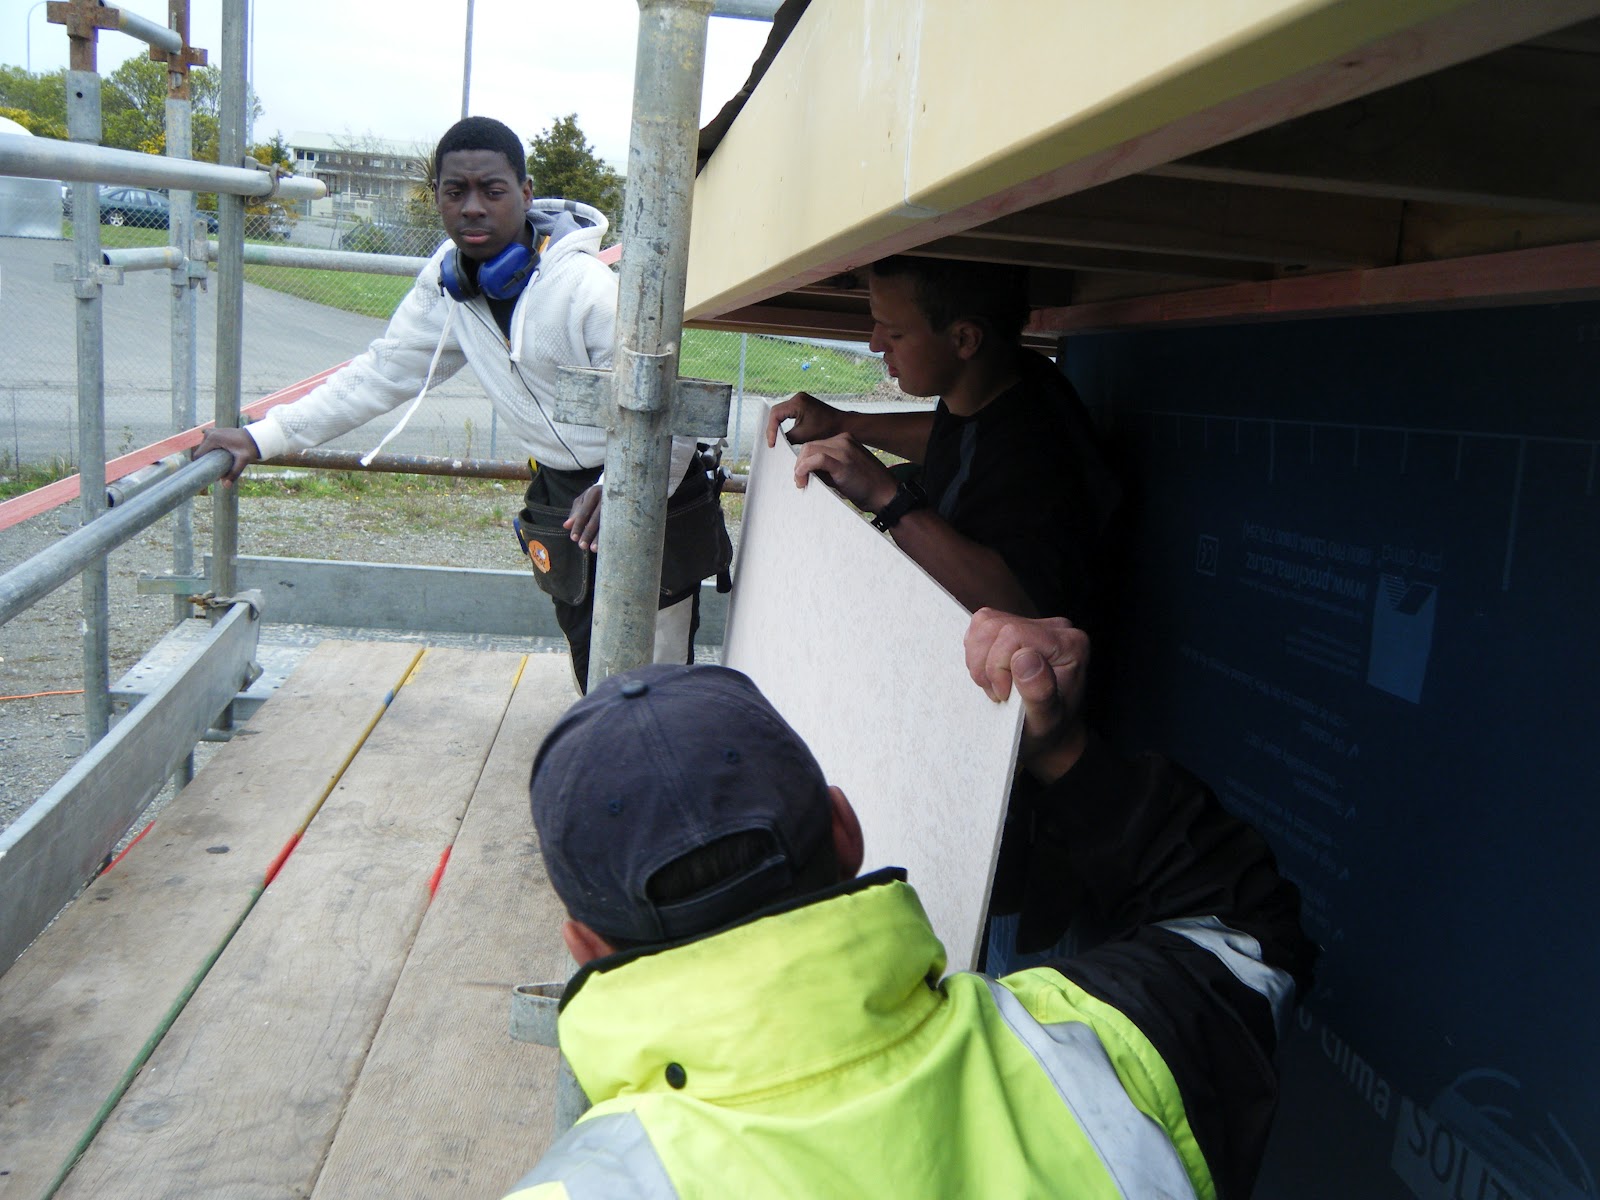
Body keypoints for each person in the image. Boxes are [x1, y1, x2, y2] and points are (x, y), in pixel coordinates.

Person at [505, 609, 1316, 1199]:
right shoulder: (1110, 1062)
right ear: (845, 829)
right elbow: (1247, 937)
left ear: (587, 949)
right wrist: (1062, 752)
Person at [193, 116, 726, 691]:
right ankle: (607, 757)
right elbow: (380, 374)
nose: (472, 207)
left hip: (648, 485)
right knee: (588, 650)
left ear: (523, 194)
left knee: (657, 657)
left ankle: (661, 769)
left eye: (492, 191)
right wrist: (265, 436)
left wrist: (623, 486)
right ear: (438, 198)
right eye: (455, 191)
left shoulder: (589, 291)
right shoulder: (449, 287)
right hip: (560, 490)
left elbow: (667, 416)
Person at [765, 255, 1124, 973]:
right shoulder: (1009, 388)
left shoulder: (1035, 453)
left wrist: (888, 498)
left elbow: (1029, 617)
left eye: (892, 332)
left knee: (982, 980)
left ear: (963, 338)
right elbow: (953, 439)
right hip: (973, 786)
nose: (874, 344)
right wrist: (851, 423)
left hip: (1012, 814)